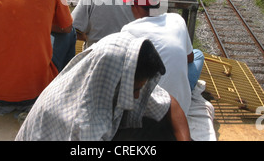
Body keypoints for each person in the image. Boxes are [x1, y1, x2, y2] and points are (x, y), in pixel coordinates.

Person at [15, 32, 191, 141]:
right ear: (114, 82)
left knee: (160, 127)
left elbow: (170, 105)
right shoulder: (80, 123)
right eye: (136, 90)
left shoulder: (105, 79)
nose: (137, 96)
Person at [121, 0, 205, 116]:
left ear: (135, 6)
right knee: (198, 54)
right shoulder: (177, 19)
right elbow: (189, 58)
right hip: (181, 106)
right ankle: (187, 88)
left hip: (150, 108)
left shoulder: (128, 30)